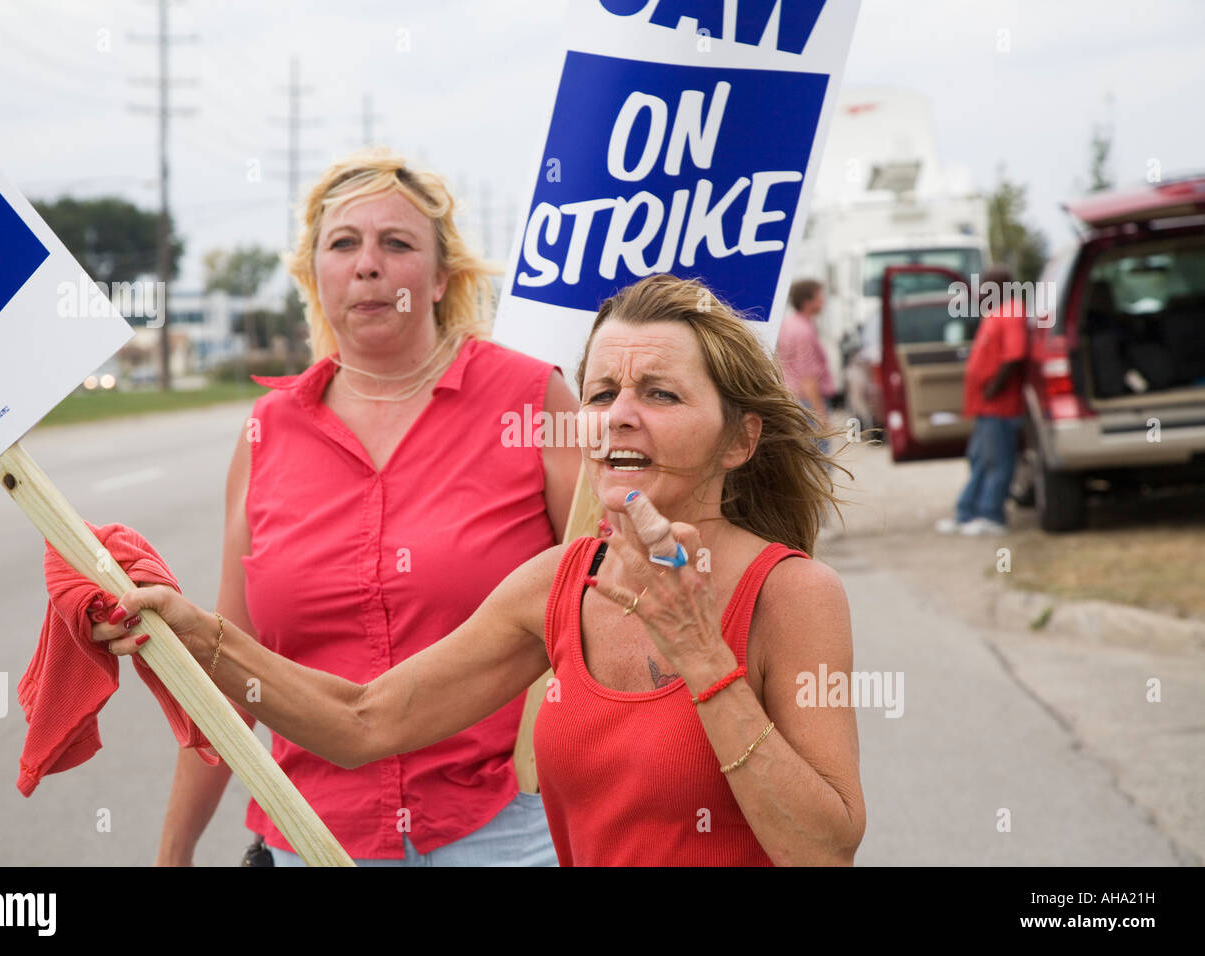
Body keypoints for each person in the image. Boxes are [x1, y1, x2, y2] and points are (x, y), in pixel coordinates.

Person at [100, 273, 865, 866]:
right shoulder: (557, 582)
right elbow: (366, 720)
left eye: (660, 394)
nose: (620, 415)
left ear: (740, 439)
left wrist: (702, 655)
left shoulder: (791, 595)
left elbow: (824, 849)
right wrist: (205, 639)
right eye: (601, 393)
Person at [92, 147, 582, 866]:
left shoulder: (533, 399)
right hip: (310, 835)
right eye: (344, 244)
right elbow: (228, 674)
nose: (368, 264)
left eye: (397, 243)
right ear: (315, 276)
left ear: (442, 277)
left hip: (506, 828)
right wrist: (174, 855)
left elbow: (611, 608)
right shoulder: (269, 430)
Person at [936, 265, 1027, 536]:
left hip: (1000, 407)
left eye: (986, 286)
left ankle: (991, 515)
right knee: (979, 458)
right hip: (985, 408)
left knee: (996, 461)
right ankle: (967, 513)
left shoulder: (1011, 312)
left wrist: (994, 388)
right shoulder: (996, 313)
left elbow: (1014, 356)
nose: (980, 292)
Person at [777, 278, 836, 455]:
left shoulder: (788, 323)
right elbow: (807, 378)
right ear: (807, 302)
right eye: (820, 297)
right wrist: (821, 416)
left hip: (791, 398)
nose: (823, 301)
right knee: (819, 459)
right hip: (806, 401)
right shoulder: (803, 331)